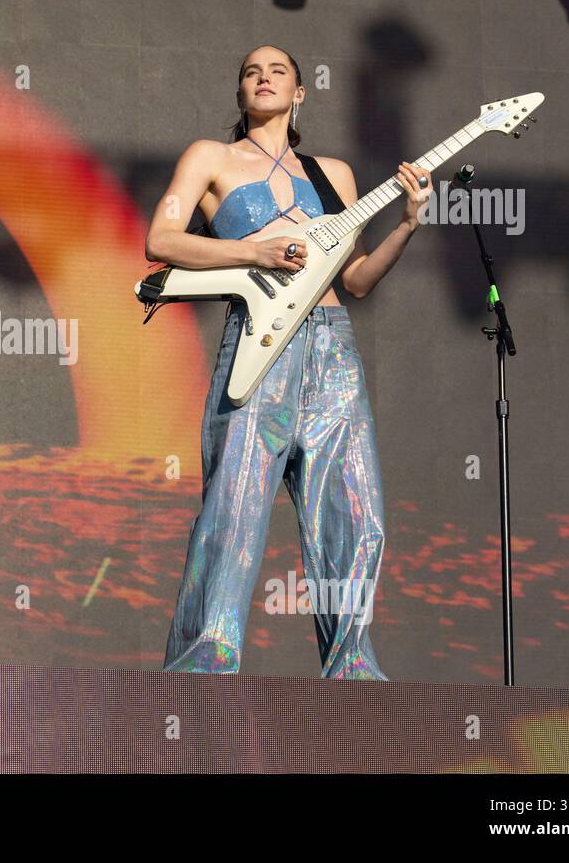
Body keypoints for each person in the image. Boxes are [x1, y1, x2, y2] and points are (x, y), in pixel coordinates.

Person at [145, 44, 433, 678]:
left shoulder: (334, 174)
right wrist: (257, 253)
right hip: (258, 342)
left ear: (300, 92)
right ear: (241, 92)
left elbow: (355, 280)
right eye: (251, 71)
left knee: (356, 515)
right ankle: (202, 667)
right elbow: (161, 240)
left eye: (278, 71)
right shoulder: (212, 157)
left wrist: (407, 224)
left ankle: (353, 668)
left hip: (332, 345)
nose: (264, 78)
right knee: (234, 508)